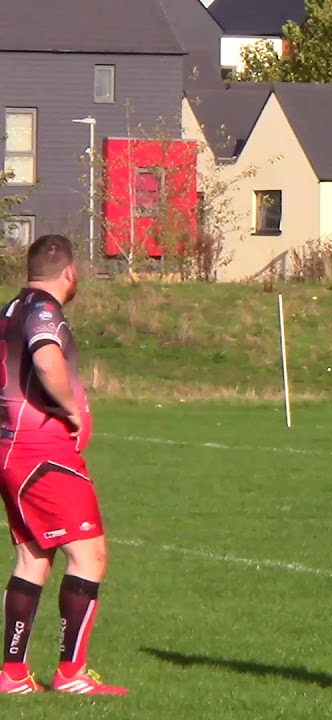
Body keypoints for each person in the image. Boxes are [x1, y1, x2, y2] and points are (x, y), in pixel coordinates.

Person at [0, 234, 126, 696]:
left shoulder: (10, 310)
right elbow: (47, 359)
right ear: (69, 272)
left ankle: (13, 674)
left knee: (34, 557)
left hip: (13, 448)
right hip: (41, 452)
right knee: (89, 555)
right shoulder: (43, 311)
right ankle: (71, 673)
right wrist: (72, 408)